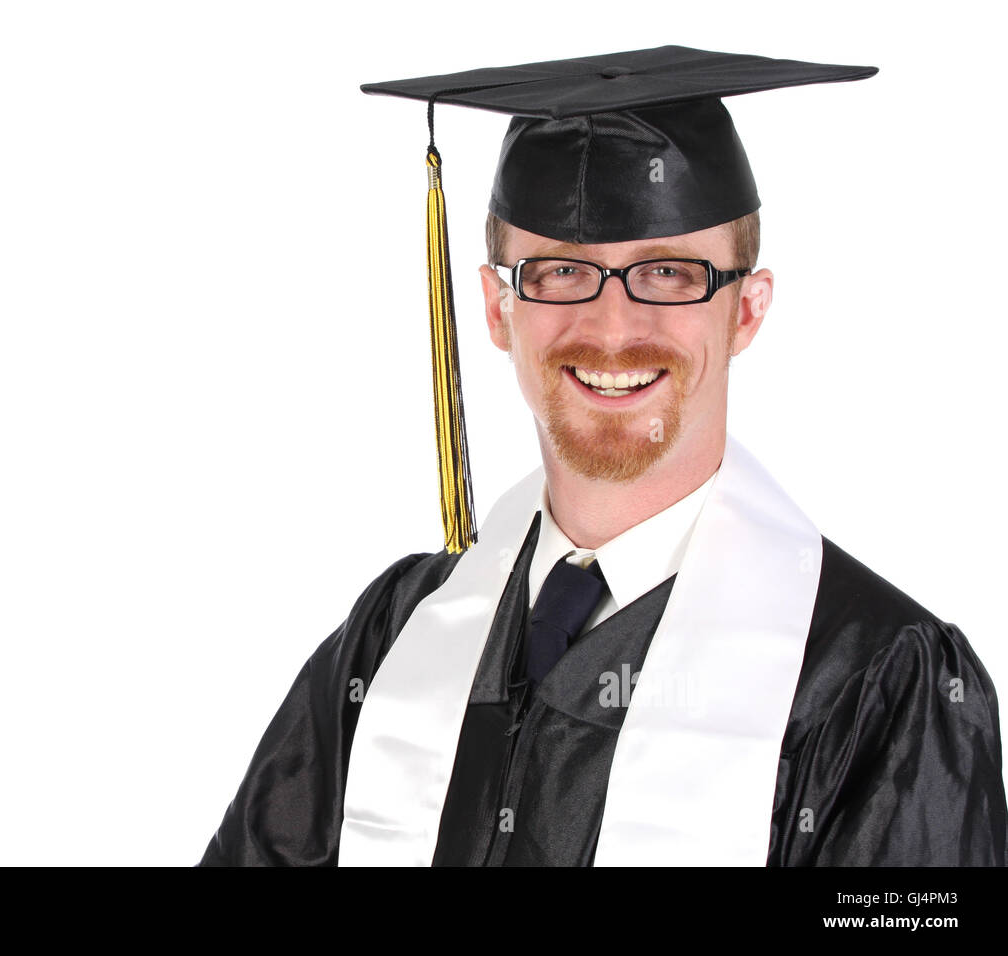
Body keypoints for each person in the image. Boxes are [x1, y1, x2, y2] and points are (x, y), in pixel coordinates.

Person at [198, 46, 1007, 866]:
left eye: (668, 273)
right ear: (496, 308)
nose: (614, 329)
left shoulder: (880, 679)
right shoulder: (395, 635)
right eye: (558, 272)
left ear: (748, 312)